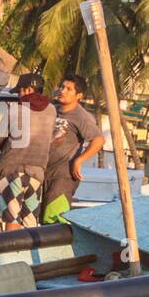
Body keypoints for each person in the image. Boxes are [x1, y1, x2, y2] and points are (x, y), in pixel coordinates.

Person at [0, 73, 55, 231]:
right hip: (37, 172)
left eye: (20, 91)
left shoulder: (16, 109)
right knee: (30, 220)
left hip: (13, 169)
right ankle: (28, 254)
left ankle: (7, 255)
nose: (19, 95)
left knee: (10, 218)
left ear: (28, 89)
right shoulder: (52, 110)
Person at [43, 74, 106, 224]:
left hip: (63, 177)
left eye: (68, 89)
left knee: (52, 221)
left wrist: (80, 160)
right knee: (37, 221)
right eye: (62, 87)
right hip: (43, 172)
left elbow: (98, 140)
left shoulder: (81, 116)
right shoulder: (52, 109)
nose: (62, 91)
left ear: (79, 96)